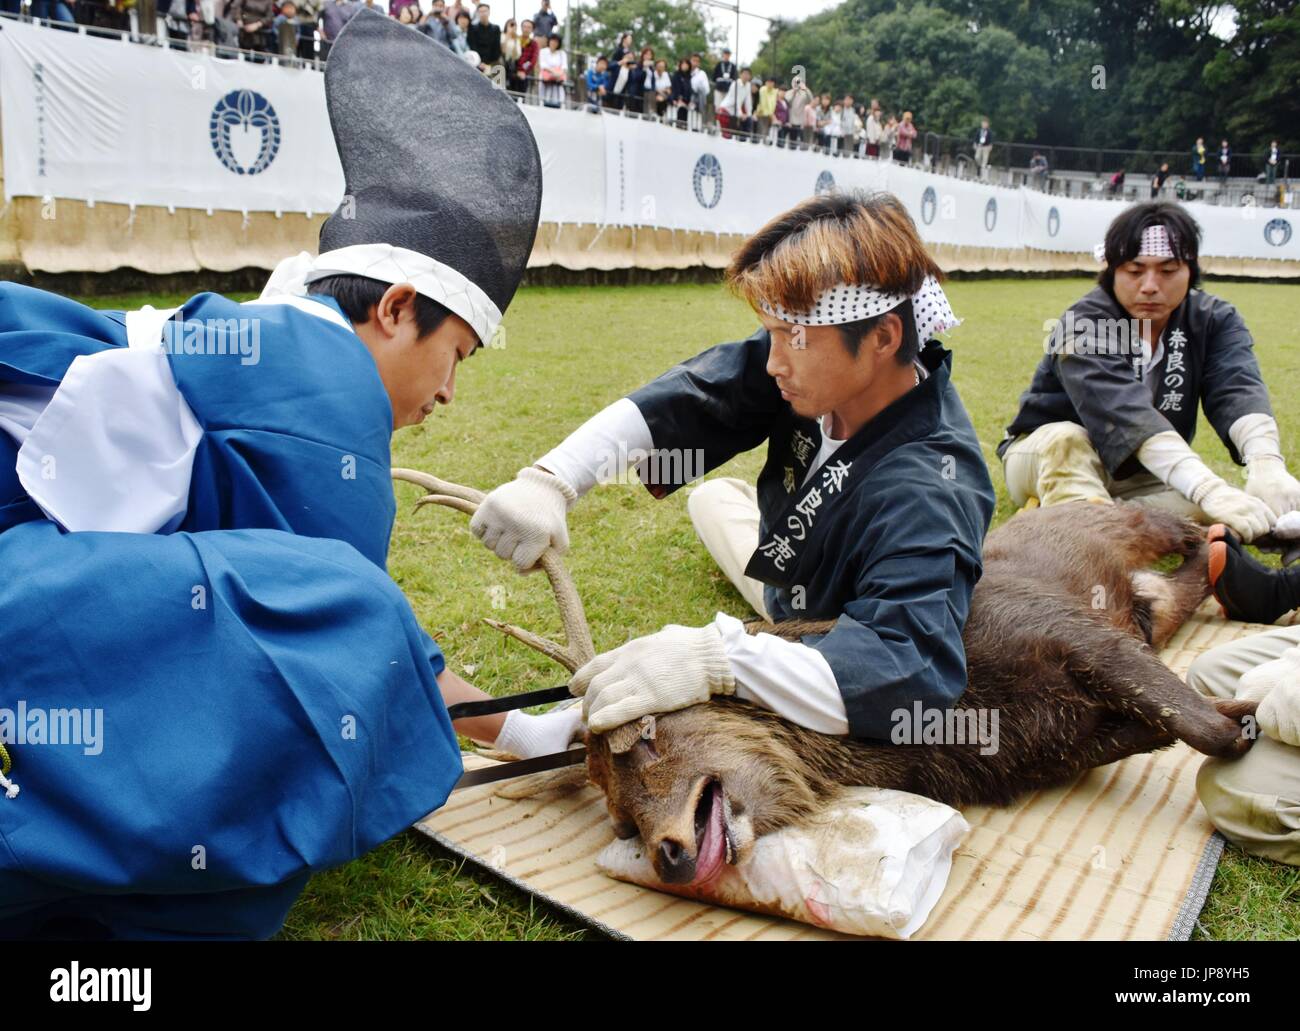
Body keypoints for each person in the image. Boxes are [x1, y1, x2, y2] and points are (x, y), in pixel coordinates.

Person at [0, 8, 555, 941]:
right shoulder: (326, 388)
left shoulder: (283, 337)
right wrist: (525, 729)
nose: (451, 391)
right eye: (456, 352)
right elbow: (350, 632)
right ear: (396, 306)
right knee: (344, 619)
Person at [469, 191, 993, 745]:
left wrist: (720, 661)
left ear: (883, 337)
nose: (772, 362)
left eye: (793, 340)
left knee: (725, 651)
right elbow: (698, 394)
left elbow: (906, 672)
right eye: (768, 333)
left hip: (828, 631)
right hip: (786, 578)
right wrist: (554, 478)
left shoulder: (931, 488)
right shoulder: (822, 366)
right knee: (711, 496)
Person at [998, 201, 1300, 541]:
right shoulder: (1083, 325)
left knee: (1224, 509)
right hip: (1046, 455)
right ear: (1112, 271)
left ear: (1191, 270)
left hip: (1144, 472)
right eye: (1134, 270)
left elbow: (1238, 389)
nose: (1150, 285)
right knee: (1067, 440)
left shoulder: (1214, 319)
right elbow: (1125, 412)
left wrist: (1266, 465)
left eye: (1168, 271)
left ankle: (1088, 510)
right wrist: (1205, 487)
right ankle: (1086, 530)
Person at [467, 4, 502, 77]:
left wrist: (488, 64)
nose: (483, 13)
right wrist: (480, 62)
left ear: (489, 12)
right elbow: (473, 46)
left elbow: (497, 48)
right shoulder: (472, 28)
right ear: (477, 13)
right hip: (476, 64)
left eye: (485, 11)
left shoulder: (496, 28)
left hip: (492, 63)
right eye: (480, 11)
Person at [538, 33, 567, 109]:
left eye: (556, 42)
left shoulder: (562, 53)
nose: (553, 43)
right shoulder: (543, 51)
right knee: (543, 99)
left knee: (557, 99)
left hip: (557, 80)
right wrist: (553, 72)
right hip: (546, 79)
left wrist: (559, 74)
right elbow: (543, 65)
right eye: (552, 41)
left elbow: (564, 66)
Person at [513, 18, 538, 99]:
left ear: (532, 30)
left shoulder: (534, 44)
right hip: (512, 72)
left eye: (529, 27)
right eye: (525, 26)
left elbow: (533, 60)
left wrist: (523, 71)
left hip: (524, 74)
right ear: (521, 28)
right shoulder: (515, 39)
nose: (526, 29)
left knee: (521, 97)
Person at [711, 47, 737, 126]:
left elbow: (734, 78)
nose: (726, 56)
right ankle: (717, 124)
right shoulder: (719, 65)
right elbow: (714, 77)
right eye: (725, 54)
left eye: (728, 54)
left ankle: (725, 126)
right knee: (718, 107)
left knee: (726, 109)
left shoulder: (732, 66)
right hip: (719, 90)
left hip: (728, 91)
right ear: (723, 55)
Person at [688, 53, 711, 132]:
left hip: (697, 100)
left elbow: (707, 90)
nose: (694, 63)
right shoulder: (685, 72)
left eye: (697, 61)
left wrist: (697, 88)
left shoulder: (702, 74)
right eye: (693, 60)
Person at [670, 57, 693, 129]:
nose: (685, 65)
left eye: (686, 64)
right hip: (678, 101)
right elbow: (675, 88)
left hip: (686, 102)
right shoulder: (676, 75)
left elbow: (689, 90)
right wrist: (678, 99)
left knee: (684, 122)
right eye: (683, 64)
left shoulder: (689, 77)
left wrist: (689, 101)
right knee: (679, 120)